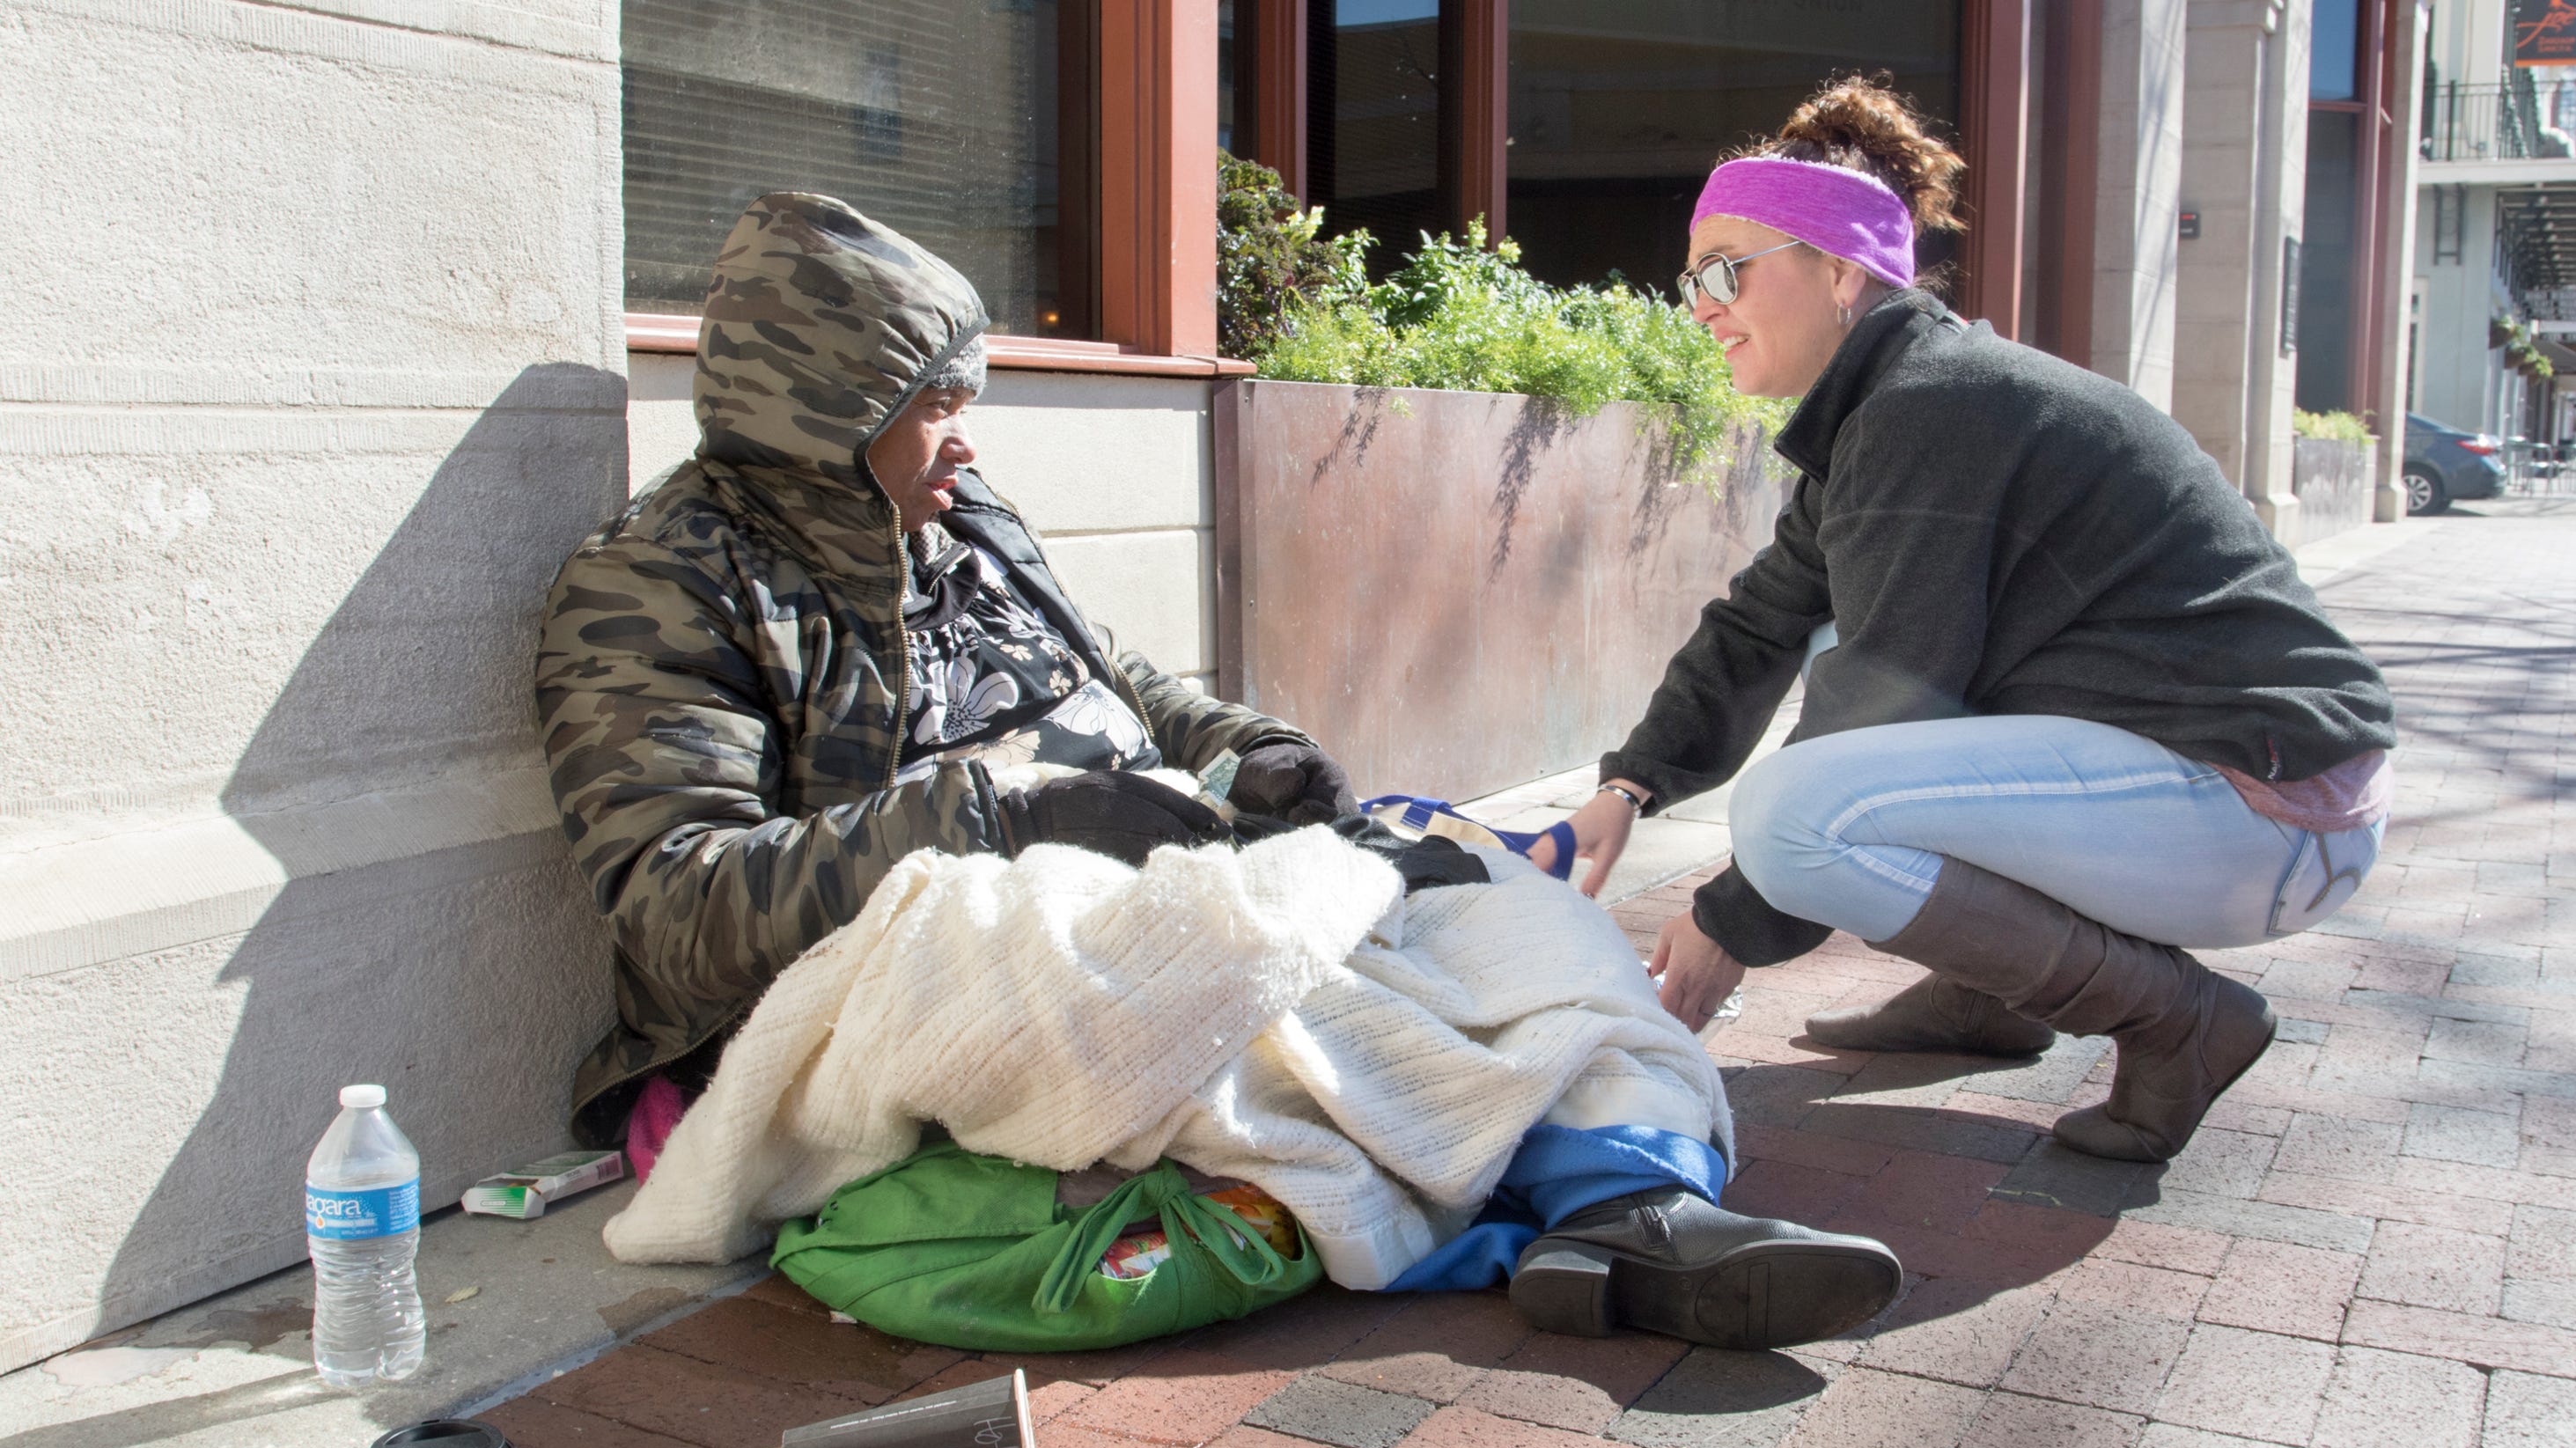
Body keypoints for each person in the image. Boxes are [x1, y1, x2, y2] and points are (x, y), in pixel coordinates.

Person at [537, 193, 1903, 1349]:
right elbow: (676, 905)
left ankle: (1635, 1203)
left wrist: (1247, 756)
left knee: (1489, 898)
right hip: (932, 935)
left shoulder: (964, 520)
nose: (966, 438)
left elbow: (1127, 682)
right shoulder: (661, 585)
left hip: (1137, 868)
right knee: (1271, 989)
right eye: (930, 405)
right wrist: (1004, 811)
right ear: (818, 413)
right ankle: (1527, 1206)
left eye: (967, 398)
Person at [1539, 79, 2397, 1165]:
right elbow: (1757, 623)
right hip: (2227, 793)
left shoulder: (1929, 411)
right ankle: (1988, 997)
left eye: (1724, 272)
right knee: (1844, 667)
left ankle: (2178, 1019)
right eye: (1688, 281)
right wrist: (1629, 787)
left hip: (2272, 812)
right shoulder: (1893, 408)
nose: (1699, 305)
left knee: (1798, 814)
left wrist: (1726, 925)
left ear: (1839, 272)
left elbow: (1886, 695)